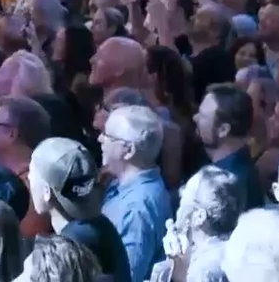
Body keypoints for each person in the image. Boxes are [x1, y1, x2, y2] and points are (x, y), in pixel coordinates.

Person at [30, 138, 130, 282]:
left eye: (31, 173)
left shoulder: (68, 248)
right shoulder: (102, 226)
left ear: (47, 191)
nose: (28, 178)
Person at [98, 105, 174, 282]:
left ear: (129, 150)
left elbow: (128, 275)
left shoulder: (138, 208)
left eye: (108, 135)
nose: (100, 138)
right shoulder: (121, 184)